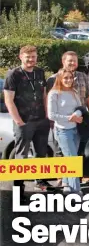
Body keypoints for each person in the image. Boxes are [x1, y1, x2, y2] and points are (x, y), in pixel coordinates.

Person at [3, 45, 53, 199]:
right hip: (24, 122)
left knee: (41, 153)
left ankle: (41, 182)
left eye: (33, 56)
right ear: (20, 57)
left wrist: (47, 116)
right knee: (21, 157)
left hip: (41, 121)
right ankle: (18, 190)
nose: (31, 59)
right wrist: (19, 122)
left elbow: (44, 95)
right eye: (28, 57)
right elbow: (8, 100)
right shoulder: (13, 74)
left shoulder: (40, 72)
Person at [46, 51, 89, 185]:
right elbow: (50, 104)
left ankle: (75, 178)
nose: (72, 63)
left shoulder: (83, 77)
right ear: (63, 62)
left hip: (80, 121)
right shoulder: (53, 79)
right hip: (61, 124)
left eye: (74, 60)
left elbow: (88, 99)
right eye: (69, 60)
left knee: (79, 151)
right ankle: (63, 179)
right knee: (62, 153)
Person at [47, 69, 83, 195]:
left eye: (70, 77)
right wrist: (69, 118)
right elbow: (51, 115)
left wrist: (76, 114)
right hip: (62, 131)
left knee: (69, 159)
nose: (68, 80)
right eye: (65, 78)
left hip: (75, 130)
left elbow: (80, 108)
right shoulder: (54, 93)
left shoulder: (74, 92)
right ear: (60, 79)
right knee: (73, 160)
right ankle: (75, 191)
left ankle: (67, 184)